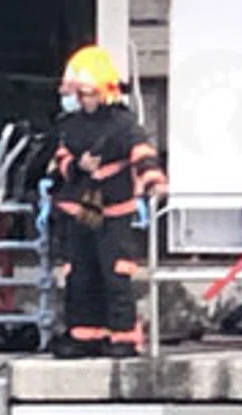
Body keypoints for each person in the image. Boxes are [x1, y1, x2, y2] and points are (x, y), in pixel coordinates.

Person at [48, 45, 165, 359]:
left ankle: (124, 335)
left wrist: (153, 181)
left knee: (116, 272)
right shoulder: (70, 125)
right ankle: (85, 334)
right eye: (77, 93)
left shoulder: (121, 124)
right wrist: (75, 167)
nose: (80, 99)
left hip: (114, 208)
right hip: (82, 206)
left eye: (84, 93)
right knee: (81, 271)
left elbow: (141, 153)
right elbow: (59, 160)